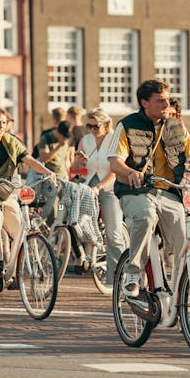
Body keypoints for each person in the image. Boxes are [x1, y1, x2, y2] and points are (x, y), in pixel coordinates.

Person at [108, 79, 190, 307]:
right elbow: (115, 162)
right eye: (160, 100)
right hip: (136, 191)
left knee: (185, 242)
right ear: (144, 103)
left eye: (167, 99)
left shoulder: (176, 126)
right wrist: (131, 172)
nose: (166, 104)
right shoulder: (127, 125)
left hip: (170, 192)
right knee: (146, 216)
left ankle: (186, 298)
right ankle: (133, 273)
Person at [0, 108, 57, 278]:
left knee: (20, 230)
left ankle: (12, 270)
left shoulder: (12, 143)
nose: (1, 126)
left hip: (6, 195)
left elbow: (30, 161)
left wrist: (47, 172)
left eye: (4, 122)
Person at [72, 108, 126, 286]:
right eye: (89, 126)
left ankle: (120, 278)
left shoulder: (114, 140)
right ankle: (85, 251)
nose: (92, 129)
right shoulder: (85, 140)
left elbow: (114, 170)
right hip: (89, 187)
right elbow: (76, 168)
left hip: (109, 188)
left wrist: (99, 187)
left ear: (106, 125)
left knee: (113, 233)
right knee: (72, 216)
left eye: (96, 126)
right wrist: (78, 162)